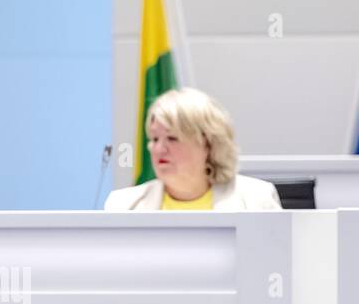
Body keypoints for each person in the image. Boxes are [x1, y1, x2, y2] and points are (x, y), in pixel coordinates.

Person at [105, 87, 281, 211]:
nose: (159, 148)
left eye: (172, 138)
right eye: (155, 138)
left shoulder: (257, 200)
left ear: (208, 143)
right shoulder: (124, 205)